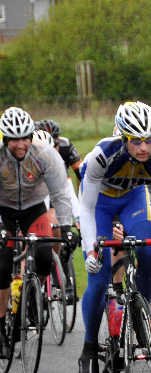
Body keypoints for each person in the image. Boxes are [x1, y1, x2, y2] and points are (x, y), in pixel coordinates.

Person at [77, 101, 151, 373]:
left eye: (149, 139)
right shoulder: (103, 154)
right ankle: (88, 348)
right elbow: (85, 208)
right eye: (136, 140)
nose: (143, 147)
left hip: (133, 199)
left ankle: (141, 315)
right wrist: (91, 251)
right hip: (98, 204)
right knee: (98, 280)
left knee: (149, 248)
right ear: (123, 137)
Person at [0, 107, 77, 360]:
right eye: (14, 139)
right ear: (5, 140)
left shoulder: (44, 155)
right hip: (3, 209)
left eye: (25, 138)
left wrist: (66, 228)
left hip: (34, 207)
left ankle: (30, 301)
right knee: (2, 264)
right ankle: (0, 327)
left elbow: (61, 194)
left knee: (44, 255)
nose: (20, 144)